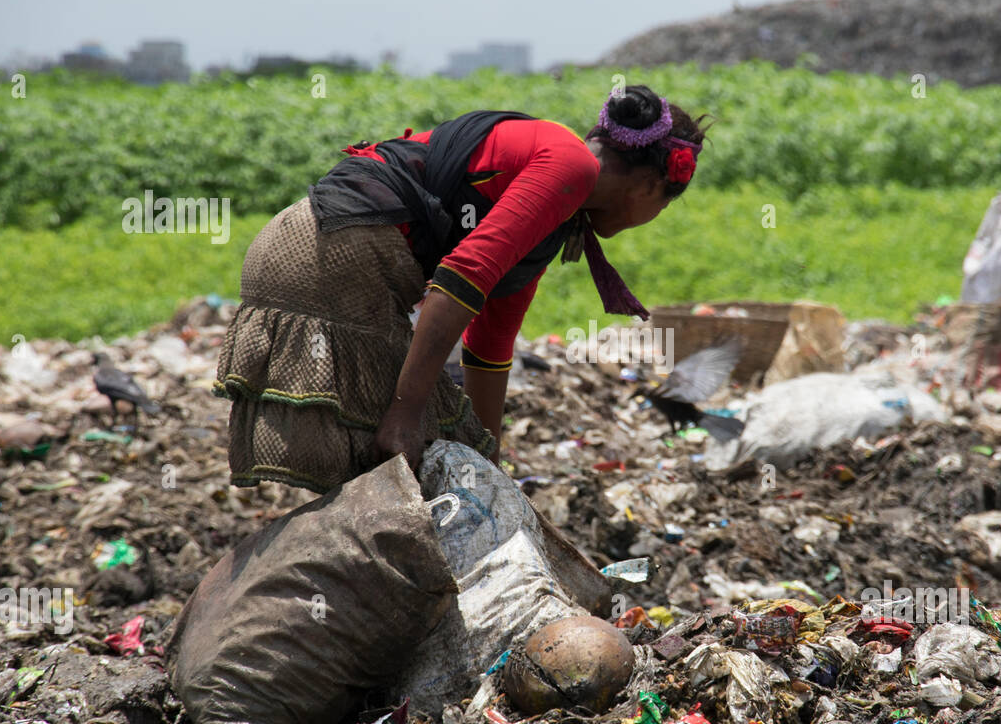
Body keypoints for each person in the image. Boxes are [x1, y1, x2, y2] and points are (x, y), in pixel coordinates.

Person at [213, 85, 712, 492]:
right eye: (664, 207)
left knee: (404, 474)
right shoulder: (569, 167)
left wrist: (487, 458)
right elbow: (458, 282)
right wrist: (406, 414)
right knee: (394, 469)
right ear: (650, 187)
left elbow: (491, 343)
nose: (654, 217)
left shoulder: (557, 189)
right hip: (338, 258)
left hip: (301, 244)